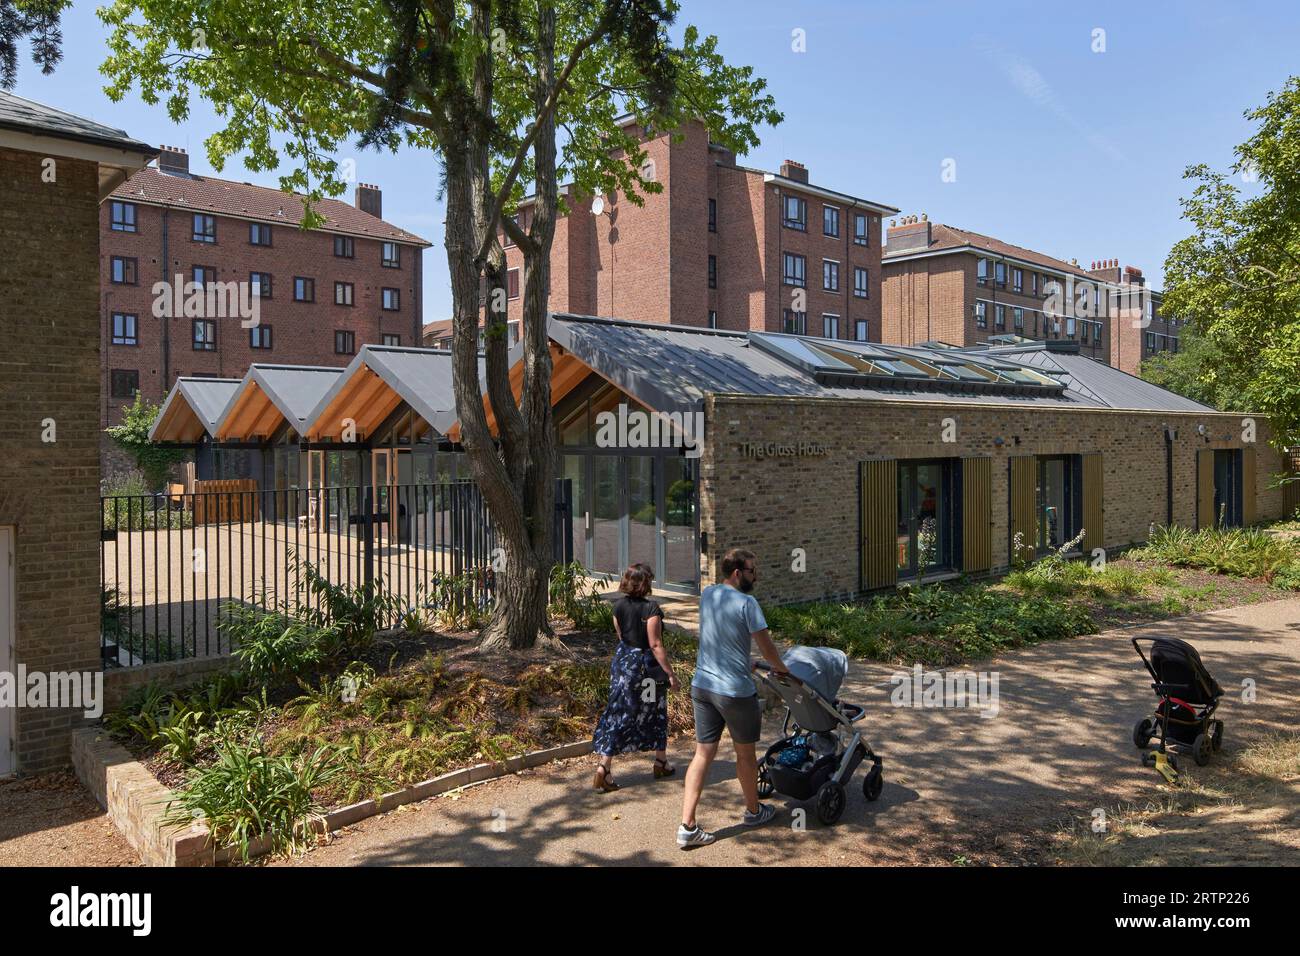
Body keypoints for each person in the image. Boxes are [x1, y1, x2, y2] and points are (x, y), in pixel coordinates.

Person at [678, 548, 787, 849]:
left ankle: (687, 826)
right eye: (753, 570)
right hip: (734, 692)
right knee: (745, 755)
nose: (756, 575)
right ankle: (753, 812)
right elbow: (768, 650)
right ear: (738, 573)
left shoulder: (708, 594)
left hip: (702, 687)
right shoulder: (748, 603)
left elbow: (720, 635)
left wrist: (742, 660)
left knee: (702, 754)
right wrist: (784, 671)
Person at [591, 563, 679, 792]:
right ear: (645, 583)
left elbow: (621, 635)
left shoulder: (618, 606)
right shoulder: (651, 609)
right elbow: (655, 644)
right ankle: (660, 761)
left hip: (623, 666)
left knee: (622, 710)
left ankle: (605, 766)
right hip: (647, 671)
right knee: (654, 707)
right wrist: (670, 674)